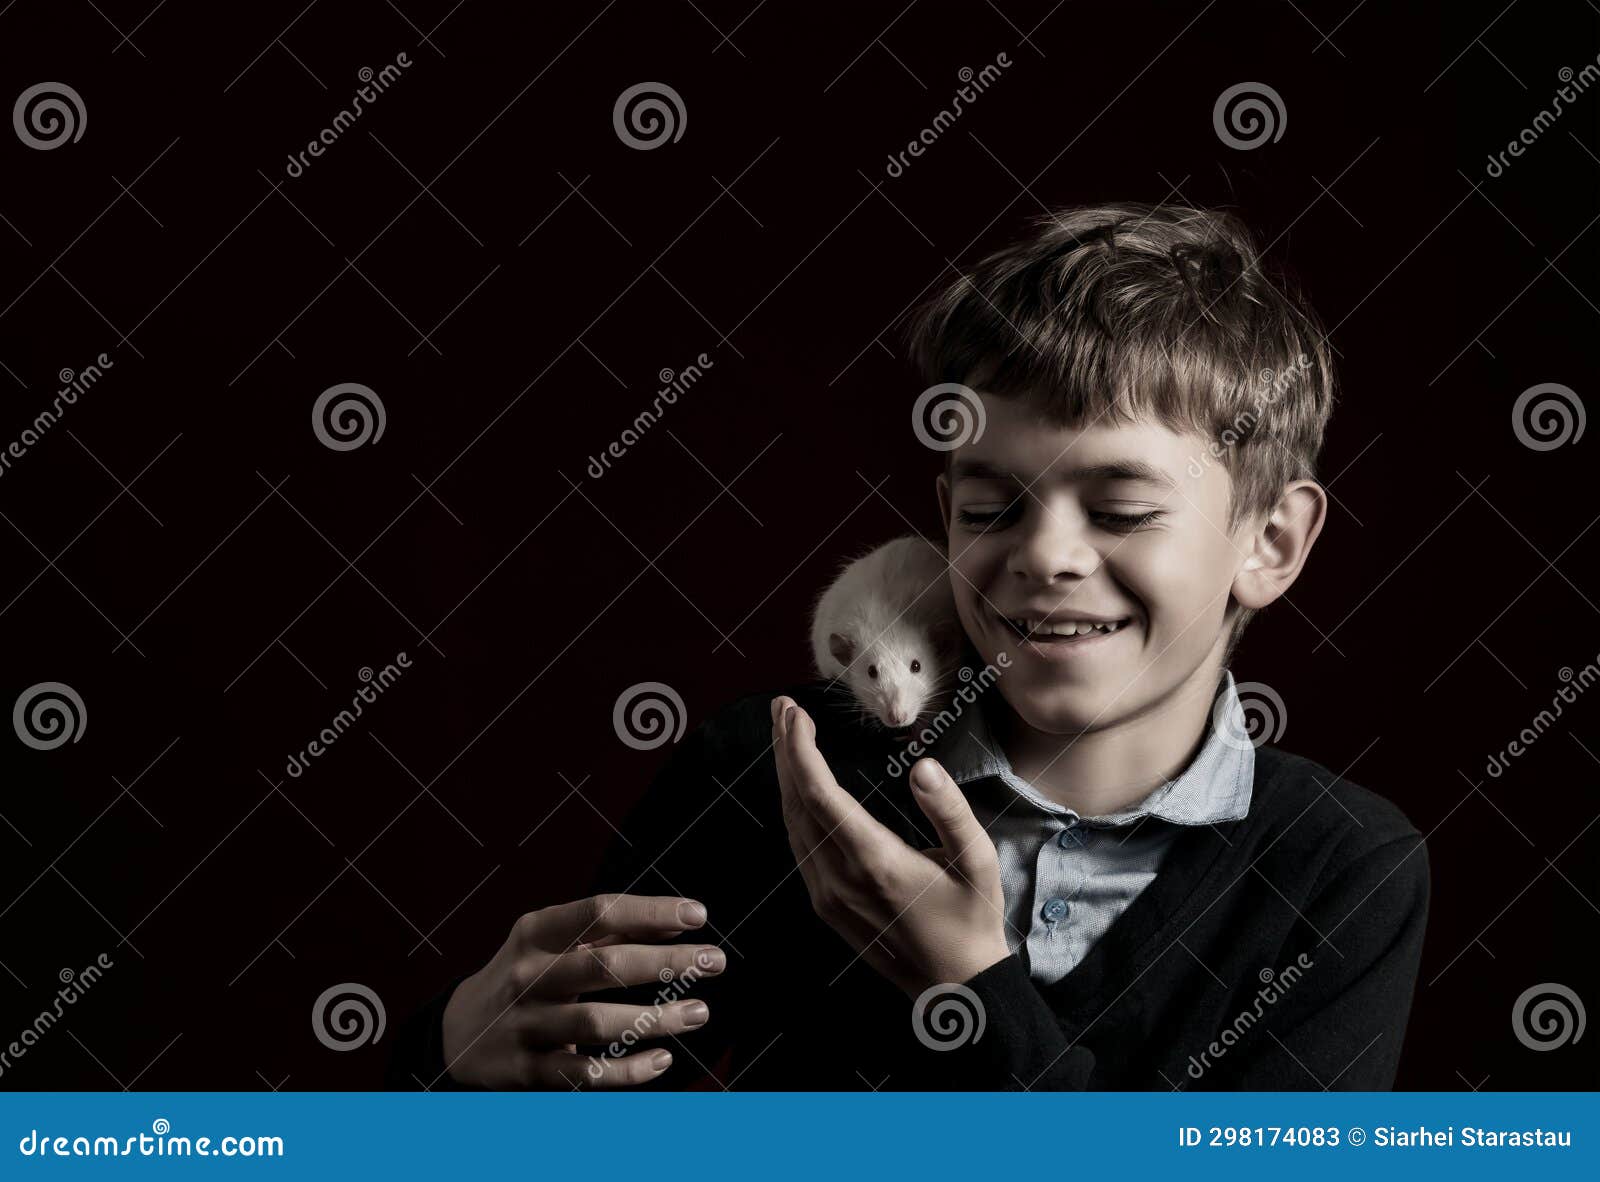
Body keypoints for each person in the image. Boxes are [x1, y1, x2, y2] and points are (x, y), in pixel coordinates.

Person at [388, 203, 1428, 1090]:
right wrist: (447, 1053)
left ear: (1271, 540)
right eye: (992, 507)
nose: (1044, 554)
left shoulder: (1342, 871)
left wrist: (970, 989)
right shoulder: (762, 771)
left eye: (1118, 510)